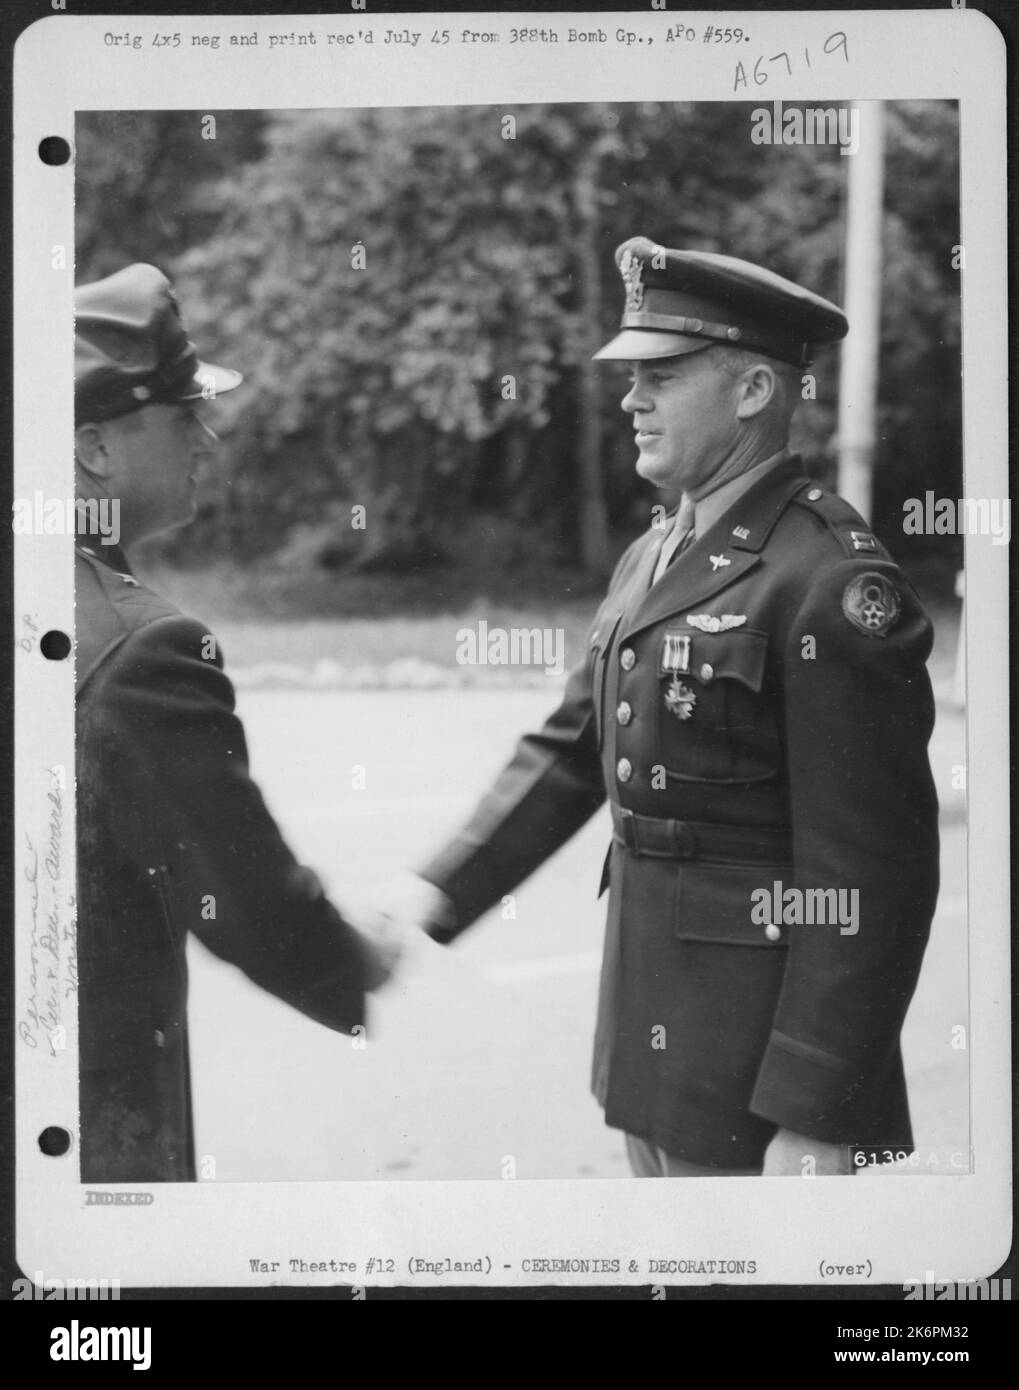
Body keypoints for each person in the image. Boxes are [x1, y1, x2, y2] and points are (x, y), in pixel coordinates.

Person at [370, 238, 940, 1177]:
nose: (630, 399)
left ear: (754, 391)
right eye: (631, 376)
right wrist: (436, 889)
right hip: (652, 1041)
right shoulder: (655, 553)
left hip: (764, 1074)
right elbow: (572, 751)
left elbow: (872, 875)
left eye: (660, 376)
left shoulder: (828, 582)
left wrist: (819, 1109)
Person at [74, 263, 394, 1182]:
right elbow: (240, 892)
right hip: (86, 1127)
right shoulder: (141, 648)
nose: (208, 438)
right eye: (184, 416)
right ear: (93, 448)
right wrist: (348, 956)